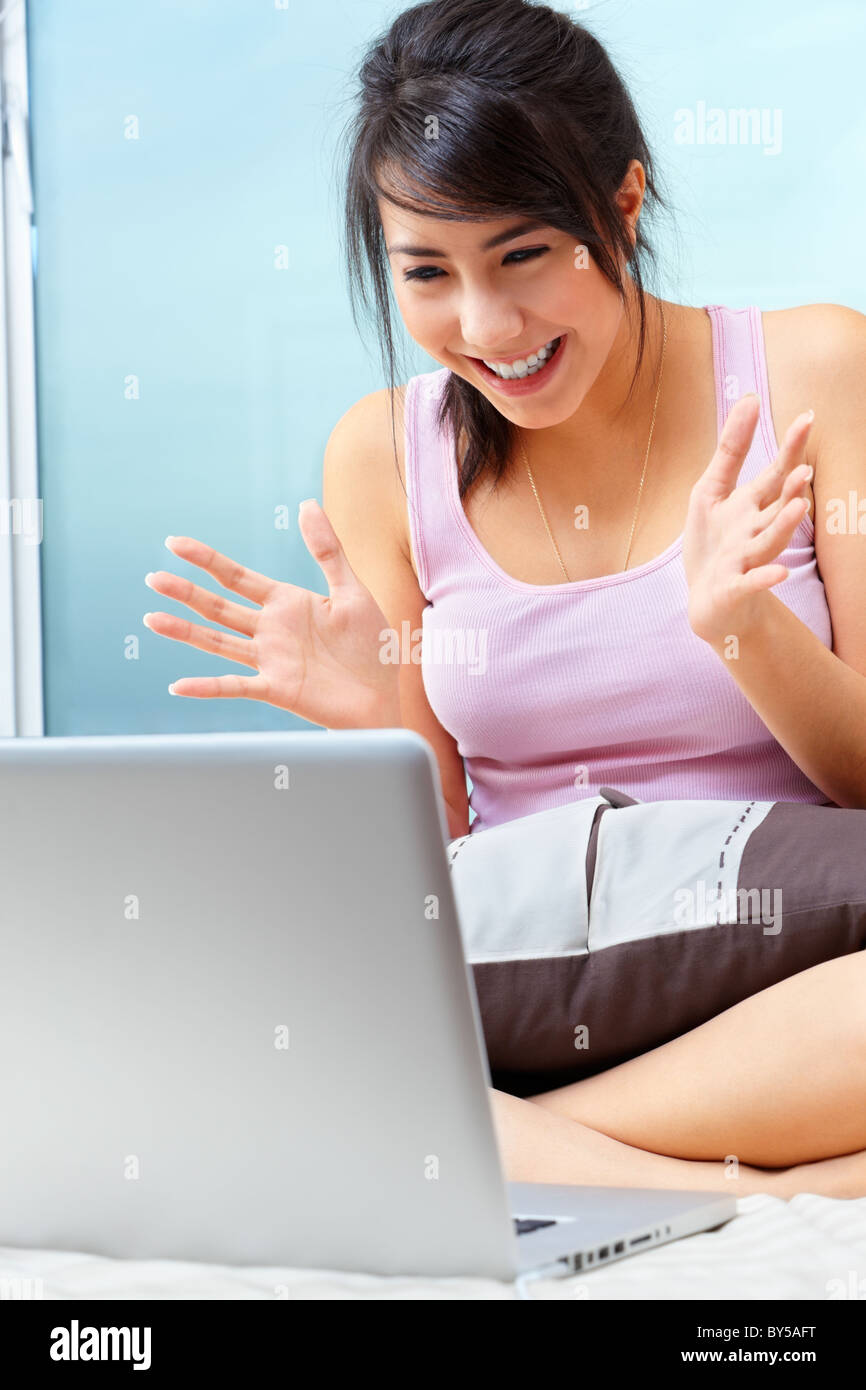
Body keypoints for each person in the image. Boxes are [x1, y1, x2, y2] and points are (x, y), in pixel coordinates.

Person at [142, 0, 866, 1198]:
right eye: (426, 274)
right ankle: (756, 1191)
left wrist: (744, 633)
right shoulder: (380, 454)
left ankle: (515, 1148)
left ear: (621, 208)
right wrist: (380, 721)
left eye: (524, 256)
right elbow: (449, 860)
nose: (486, 328)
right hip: (532, 972)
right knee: (208, 985)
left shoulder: (812, 371)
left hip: (790, 971)